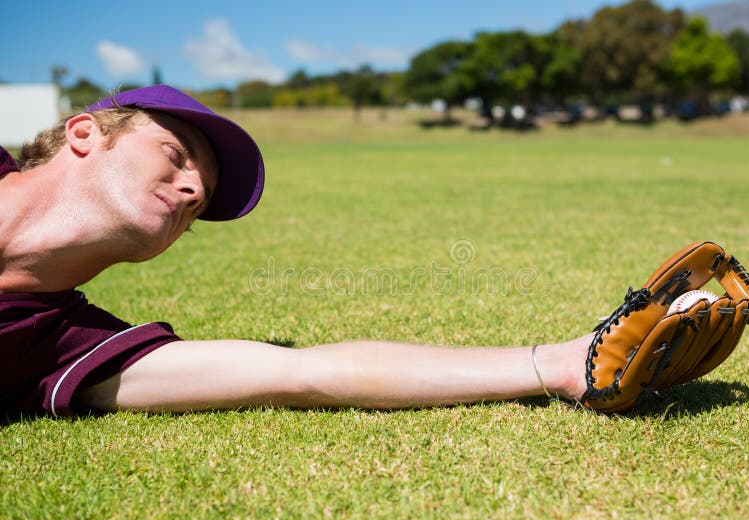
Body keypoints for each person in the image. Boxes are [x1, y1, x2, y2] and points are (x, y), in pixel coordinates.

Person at [0, 84, 593, 417]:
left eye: (201, 201)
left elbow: (301, 371)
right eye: (176, 155)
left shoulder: (61, 346)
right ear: (84, 134)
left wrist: (561, 364)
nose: (193, 189)